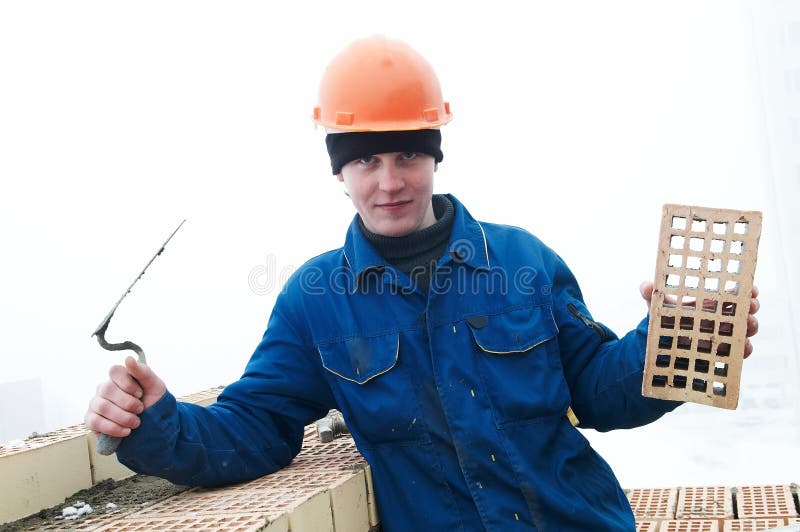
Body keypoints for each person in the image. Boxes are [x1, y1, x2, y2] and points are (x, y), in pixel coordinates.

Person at [85, 36, 760, 531]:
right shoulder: (315, 302)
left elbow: (599, 392)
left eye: (409, 153)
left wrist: (673, 343)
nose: (389, 181)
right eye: (367, 160)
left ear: (434, 155)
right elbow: (254, 427)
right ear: (339, 173)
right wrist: (153, 423)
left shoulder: (524, 261)